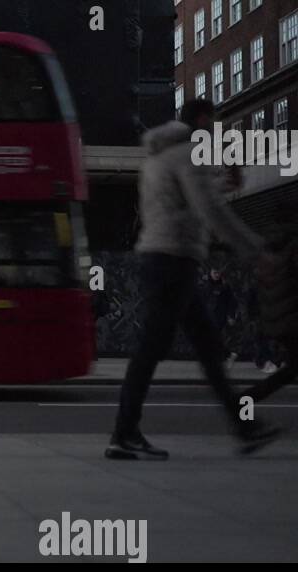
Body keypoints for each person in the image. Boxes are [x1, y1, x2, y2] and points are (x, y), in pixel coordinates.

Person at [107, 99, 282, 460]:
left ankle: (244, 428)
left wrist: (222, 182)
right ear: (202, 120)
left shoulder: (158, 156)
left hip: (162, 257)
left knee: (204, 348)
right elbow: (209, 210)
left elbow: (186, 200)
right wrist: (256, 251)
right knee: (155, 349)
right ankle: (123, 433)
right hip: (174, 260)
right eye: (212, 122)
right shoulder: (188, 153)